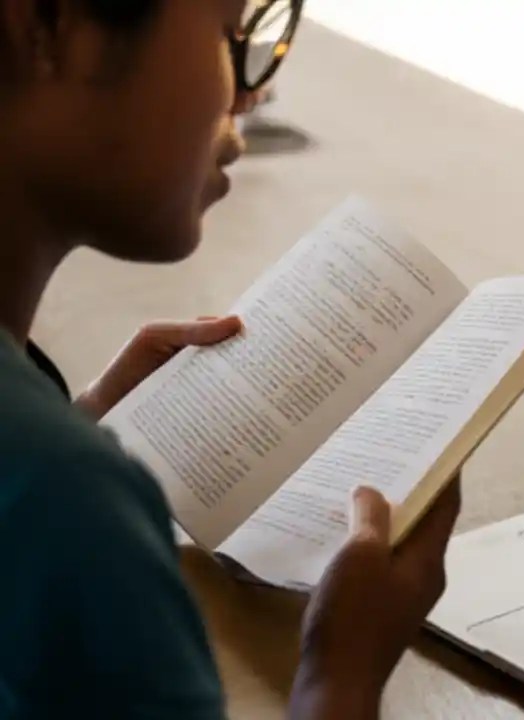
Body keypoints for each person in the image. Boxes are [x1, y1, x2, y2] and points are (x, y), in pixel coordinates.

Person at [0, 1, 461, 718]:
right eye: (228, 33)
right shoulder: (64, 504)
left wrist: (69, 425)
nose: (252, 97)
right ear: (48, 28)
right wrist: (340, 676)